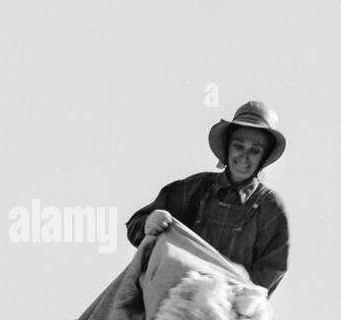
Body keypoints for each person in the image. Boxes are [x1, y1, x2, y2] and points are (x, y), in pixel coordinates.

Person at [124, 101, 289, 297]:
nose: (244, 157)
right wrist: (147, 223)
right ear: (227, 147)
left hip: (232, 312)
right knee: (113, 315)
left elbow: (272, 269)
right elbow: (136, 225)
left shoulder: (270, 207)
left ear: (264, 157)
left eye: (255, 150)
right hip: (173, 300)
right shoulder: (194, 189)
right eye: (238, 146)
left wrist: (237, 298)